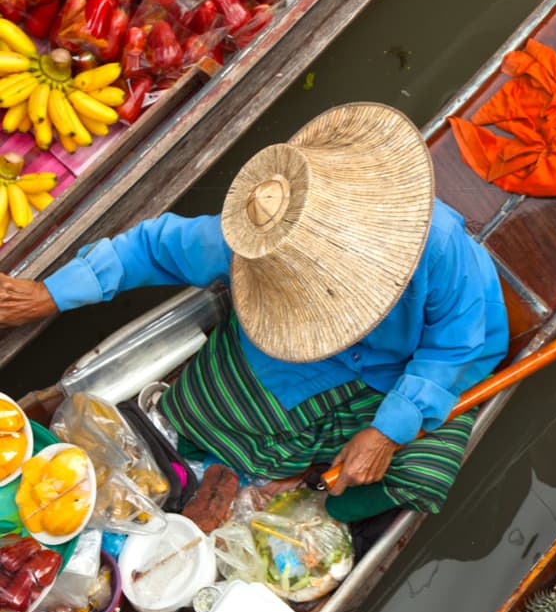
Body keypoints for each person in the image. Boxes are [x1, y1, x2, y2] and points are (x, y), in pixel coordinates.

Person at [0, 102, 509, 522]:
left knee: (415, 473)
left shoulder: (437, 249)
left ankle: (300, 492)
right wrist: (52, 294)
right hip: (309, 349)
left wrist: (386, 431)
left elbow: (453, 347)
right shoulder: (260, 242)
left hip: (420, 363)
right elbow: (151, 247)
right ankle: (239, 475)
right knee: (206, 407)